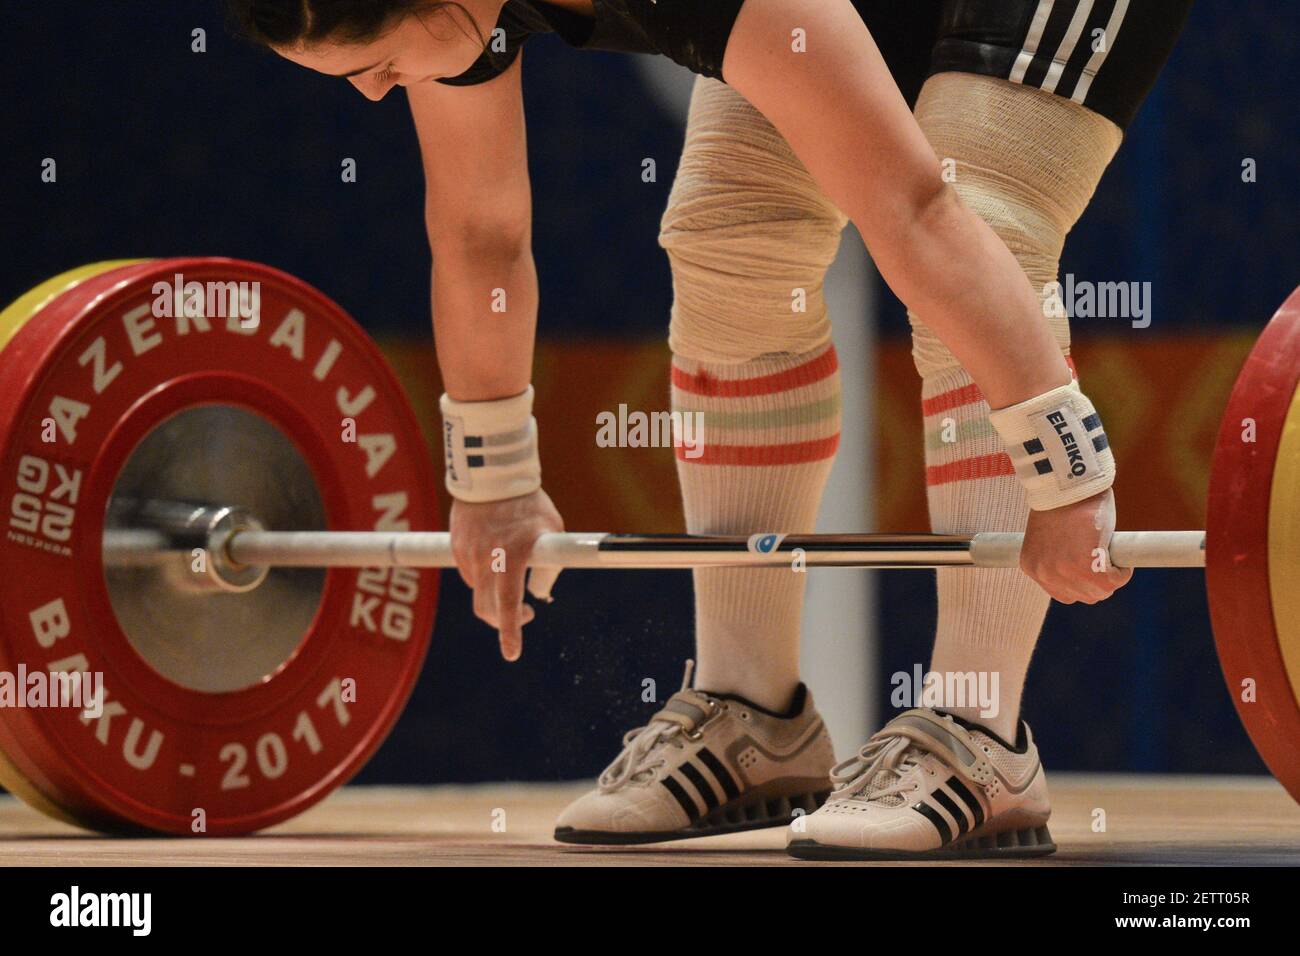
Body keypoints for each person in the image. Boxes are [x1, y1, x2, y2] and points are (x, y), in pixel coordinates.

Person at [229, 0, 1190, 858]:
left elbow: (917, 211)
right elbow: (480, 232)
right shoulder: (463, 24)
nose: (373, 94)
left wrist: (1068, 476)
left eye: (375, 65)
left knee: (981, 211)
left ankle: (981, 738)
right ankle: (752, 716)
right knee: (732, 235)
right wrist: (495, 478)